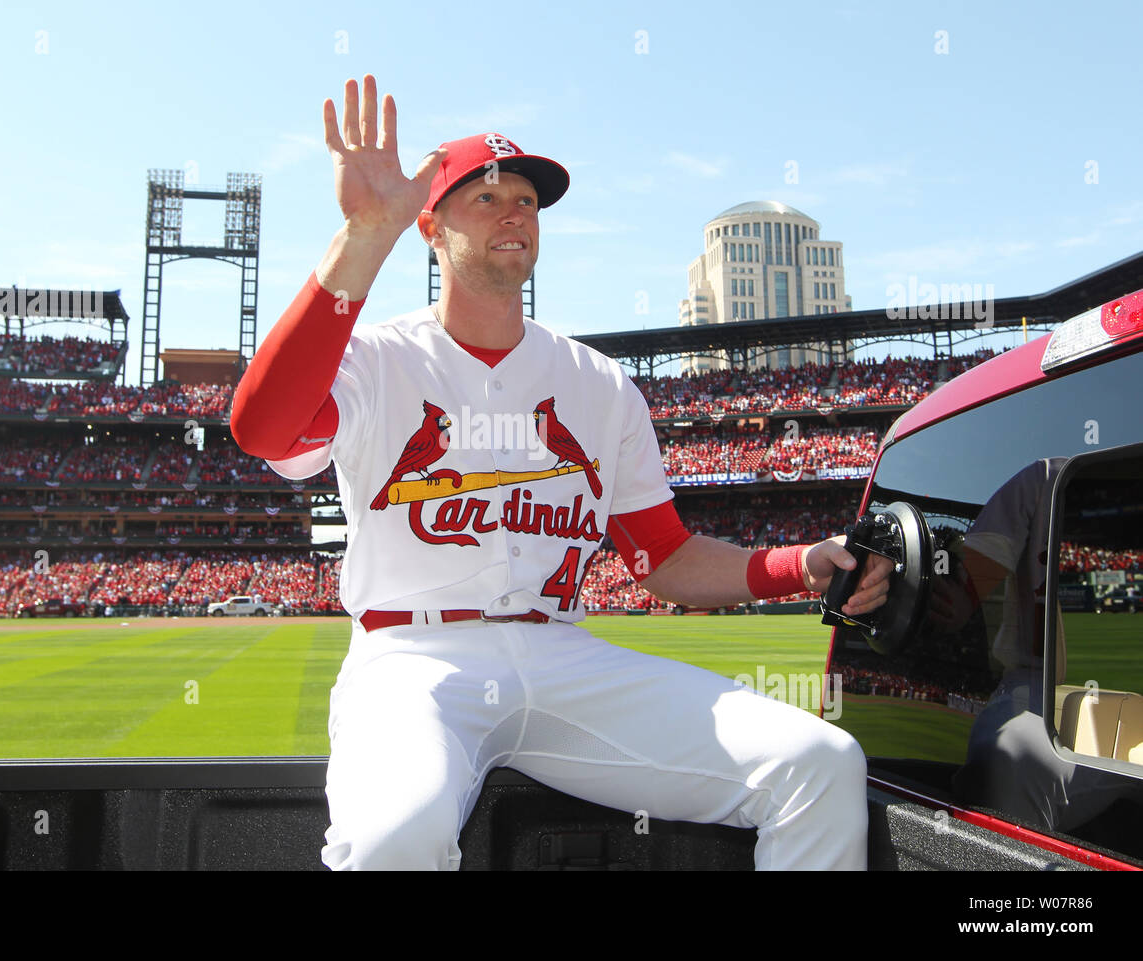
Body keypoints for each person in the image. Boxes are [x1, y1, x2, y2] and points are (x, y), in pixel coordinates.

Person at [230, 75, 892, 870]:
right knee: (392, 836)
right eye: (489, 197)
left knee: (819, 763)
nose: (516, 212)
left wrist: (800, 565)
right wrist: (364, 238)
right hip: (412, 662)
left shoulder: (598, 382)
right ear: (430, 228)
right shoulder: (374, 360)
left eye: (528, 201)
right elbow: (262, 427)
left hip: (562, 654)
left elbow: (668, 559)